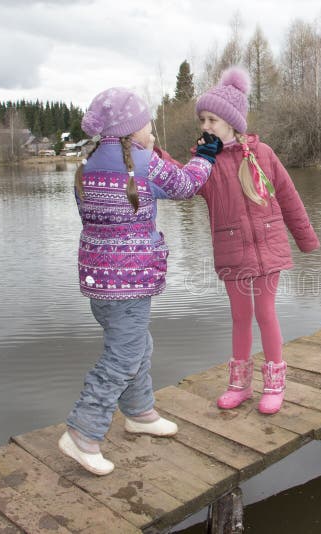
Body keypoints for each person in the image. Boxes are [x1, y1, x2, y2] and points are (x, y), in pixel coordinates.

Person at [60, 87, 223, 475]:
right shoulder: (144, 164)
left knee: (135, 344)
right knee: (123, 355)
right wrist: (206, 155)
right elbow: (185, 185)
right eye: (149, 125)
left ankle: (139, 412)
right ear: (133, 132)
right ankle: (83, 433)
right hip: (128, 283)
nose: (153, 132)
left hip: (99, 284)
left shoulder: (88, 164)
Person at [195, 67, 319, 415]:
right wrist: (156, 159)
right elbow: (183, 184)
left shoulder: (263, 153)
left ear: (233, 122)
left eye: (212, 120)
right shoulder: (207, 161)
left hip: (269, 246)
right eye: (202, 120)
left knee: (265, 313)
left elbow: (289, 196)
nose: (205, 126)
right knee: (239, 315)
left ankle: (275, 383)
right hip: (232, 248)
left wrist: (305, 239)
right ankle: (239, 385)